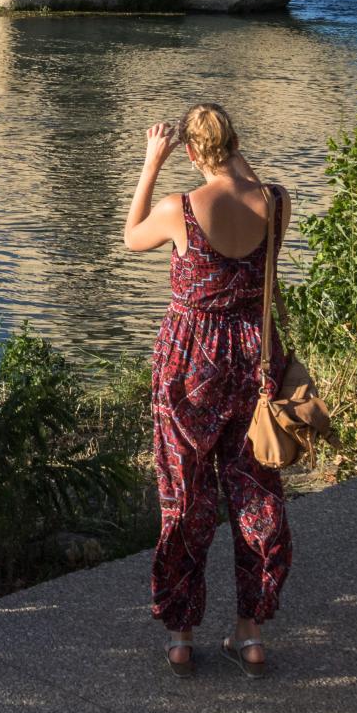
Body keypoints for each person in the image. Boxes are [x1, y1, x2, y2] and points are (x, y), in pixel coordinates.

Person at [124, 102, 292, 680]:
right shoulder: (276, 202)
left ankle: (180, 634)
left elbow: (130, 237)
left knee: (185, 496)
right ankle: (251, 633)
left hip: (188, 362)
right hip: (252, 359)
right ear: (237, 141)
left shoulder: (180, 209)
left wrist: (151, 164)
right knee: (253, 491)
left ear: (191, 152)